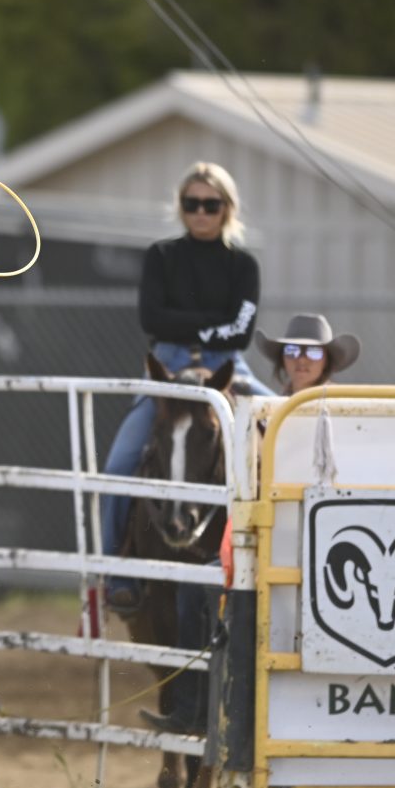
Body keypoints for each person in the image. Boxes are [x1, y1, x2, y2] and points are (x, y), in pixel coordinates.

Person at [100, 162, 272, 611]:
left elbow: (241, 333)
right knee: (119, 467)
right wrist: (211, 324)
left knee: (290, 427)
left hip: (230, 371)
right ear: (181, 207)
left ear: (226, 208)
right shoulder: (161, 256)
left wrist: (187, 326)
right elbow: (151, 320)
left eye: (210, 205)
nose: (200, 213)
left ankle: (284, 567)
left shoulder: (243, 264)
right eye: (191, 204)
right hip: (167, 371)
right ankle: (120, 575)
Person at [254, 314, 365, 788]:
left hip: (335, 555)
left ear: (326, 361)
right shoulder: (264, 413)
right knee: (279, 666)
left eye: (310, 351)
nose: (300, 359)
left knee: (341, 670)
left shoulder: (344, 410)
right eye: (293, 350)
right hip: (282, 549)